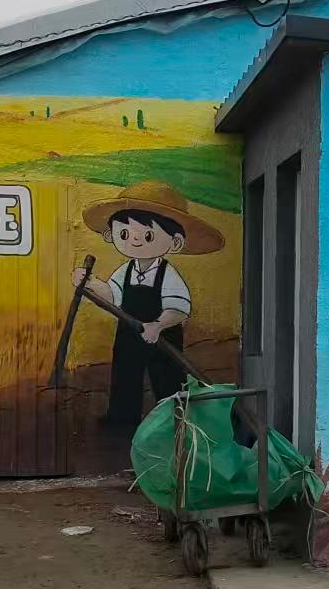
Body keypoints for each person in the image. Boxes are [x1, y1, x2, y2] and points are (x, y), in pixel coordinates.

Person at [72, 180, 225, 427]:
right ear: (111, 235)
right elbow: (112, 296)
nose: (134, 241)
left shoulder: (168, 274)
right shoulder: (125, 271)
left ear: (175, 242)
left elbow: (178, 309)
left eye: (148, 235)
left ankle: (174, 424)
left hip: (163, 338)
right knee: (125, 375)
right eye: (124, 234)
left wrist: (158, 325)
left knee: (168, 381)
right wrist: (89, 282)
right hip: (129, 334)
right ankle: (122, 419)